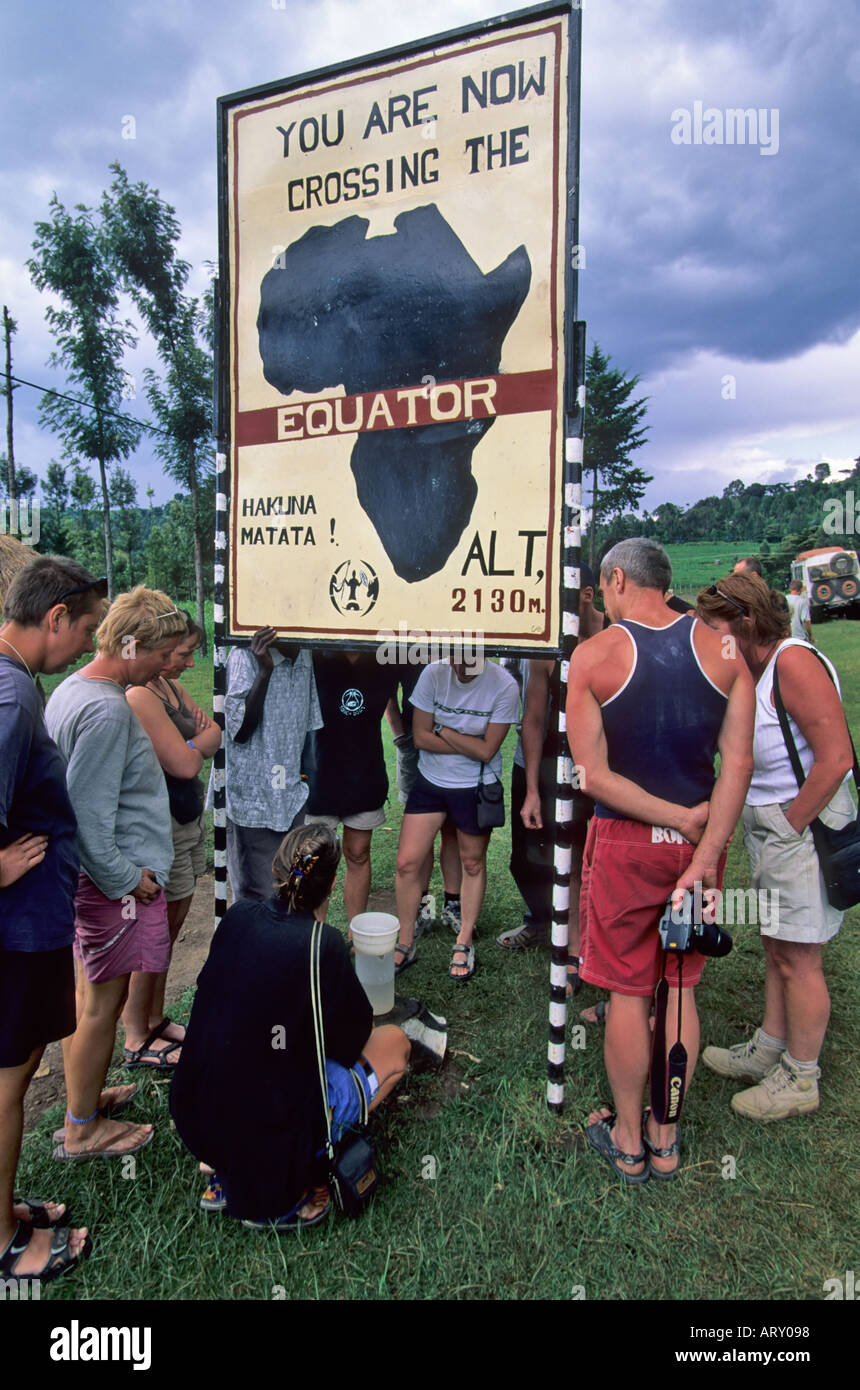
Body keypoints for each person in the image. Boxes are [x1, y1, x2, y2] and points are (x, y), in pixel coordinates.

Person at [566, 539, 755, 1182]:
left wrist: (671, 819)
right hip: (702, 842)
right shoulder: (723, 650)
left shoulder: (594, 656)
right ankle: (665, 1138)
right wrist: (704, 849)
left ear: (617, 580)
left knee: (625, 991)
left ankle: (626, 1138)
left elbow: (589, 775)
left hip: (627, 841)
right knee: (680, 985)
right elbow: (740, 763)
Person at [169, 822, 410, 1227]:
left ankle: (226, 1169)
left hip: (193, 1114)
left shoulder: (238, 917)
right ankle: (287, 1192)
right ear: (333, 883)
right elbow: (351, 1042)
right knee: (395, 1043)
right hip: (272, 1129)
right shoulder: (323, 944)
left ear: (277, 869)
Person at [697, 573, 854, 1120]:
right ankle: (770, 1047)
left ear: (745, 623)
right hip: (775, 830)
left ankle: (801, 1077)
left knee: (799, 956)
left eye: (716, 631)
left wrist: (788, 825)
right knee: (777, 944)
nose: (710, 643)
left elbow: (836, 757)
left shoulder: (792, 662)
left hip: (798, 832)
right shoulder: (757, 669)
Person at [46, 587, 187, 1157]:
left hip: (93, 881)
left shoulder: (74, 689)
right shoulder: (106, 711)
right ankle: (82, 1129)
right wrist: (130, 879)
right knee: (103, 1003)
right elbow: (87, 819)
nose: (164, 666)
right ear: (132, 646)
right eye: (161, 654)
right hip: (112, 882)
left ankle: (86, 1098)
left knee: (88, 996)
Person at [0, 556, 106, 1283]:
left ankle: (5, 1212)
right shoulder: (12, 698)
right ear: (56, 616)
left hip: (29, 920)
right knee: (6, 1082)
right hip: (16, 925)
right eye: (88, 629)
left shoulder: (15, 684)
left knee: (17, 1067)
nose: (89, 646)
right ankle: (3, 1246)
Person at [498, 563, 605, 996]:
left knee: (579, 857)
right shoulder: (546, 643)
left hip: (592, 763)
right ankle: (541, 920)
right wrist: (532, 791)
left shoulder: (611, 638)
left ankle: (578, 948)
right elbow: (534, 716)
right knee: (527, 856)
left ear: (586, 594)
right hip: (541, 761)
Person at [122, 611, 221, 1056]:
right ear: (160, 650)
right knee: (155, 929)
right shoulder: (140, 695)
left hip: (185, 818)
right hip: (160, 825)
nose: (188, 664)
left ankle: (155, 1017)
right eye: (181, 653)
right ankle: (136, 1033)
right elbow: (184, 762)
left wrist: (193, 745)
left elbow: (214, 732)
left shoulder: (169, 688)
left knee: (174, 922)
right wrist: (194, 747)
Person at [393, 654, 520, 981]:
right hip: (431, 780)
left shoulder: (504, 684)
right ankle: (405, 941)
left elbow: (488, 751)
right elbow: (419, 737)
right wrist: (468, 743)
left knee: (473, 862)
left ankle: (464, 940)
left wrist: (443, 729)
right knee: (407, 862)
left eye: (470, 660)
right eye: (456, 658)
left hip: (477, 784)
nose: (461, 668)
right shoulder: (434, 673)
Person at [223, 627, 322, 902]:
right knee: (255, 894)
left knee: (289, 889)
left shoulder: (304, 654)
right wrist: (264, 671)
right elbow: (240, 731)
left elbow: (307, 726)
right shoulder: (244, 655)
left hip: (291, 796)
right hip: (253, 798)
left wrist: (304, 786)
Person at [304, 649, 399, 922]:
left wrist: (404, 738)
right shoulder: (315, 654)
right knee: (318, 859)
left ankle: (356, 932)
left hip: (364, 775)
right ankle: (317, 935)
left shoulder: (386, 657)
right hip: (318, 773)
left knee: (358, 854)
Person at [786, 579, 813, 643]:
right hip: (799, 636)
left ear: (790, 589)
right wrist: (810, 635)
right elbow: (806, 621)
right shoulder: (802, 602)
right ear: (800, 590)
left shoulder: (784, 599)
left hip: (786, 636)